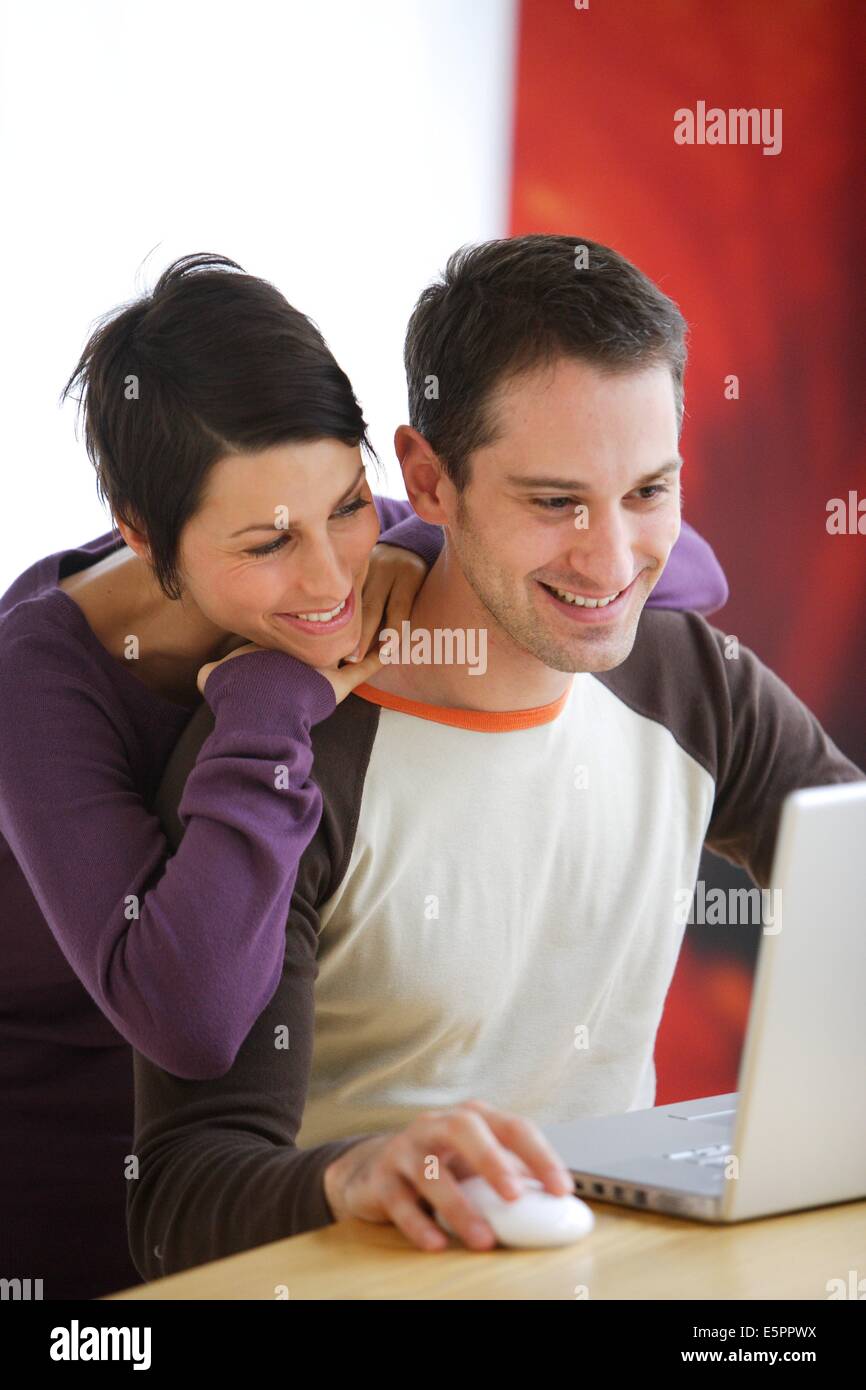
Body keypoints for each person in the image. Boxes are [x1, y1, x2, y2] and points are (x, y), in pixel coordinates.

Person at [126, 234, 862, 1279]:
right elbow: (176, 1193)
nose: (611, 562)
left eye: (647, 492)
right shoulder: (279, 767)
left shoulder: (690, 684)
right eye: (553, 501)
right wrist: (352, 1175)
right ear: (428, 479)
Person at [0, 251, 726, 1300]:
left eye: (346, 503)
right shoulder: (37, 683)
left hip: (260, 1199)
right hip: (69, 1217)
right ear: (144, 536)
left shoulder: (358, 539)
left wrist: (420, 538)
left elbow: (678, 575)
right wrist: (276, 694)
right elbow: (190, 1014)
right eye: (268, 543)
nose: (332, 574)